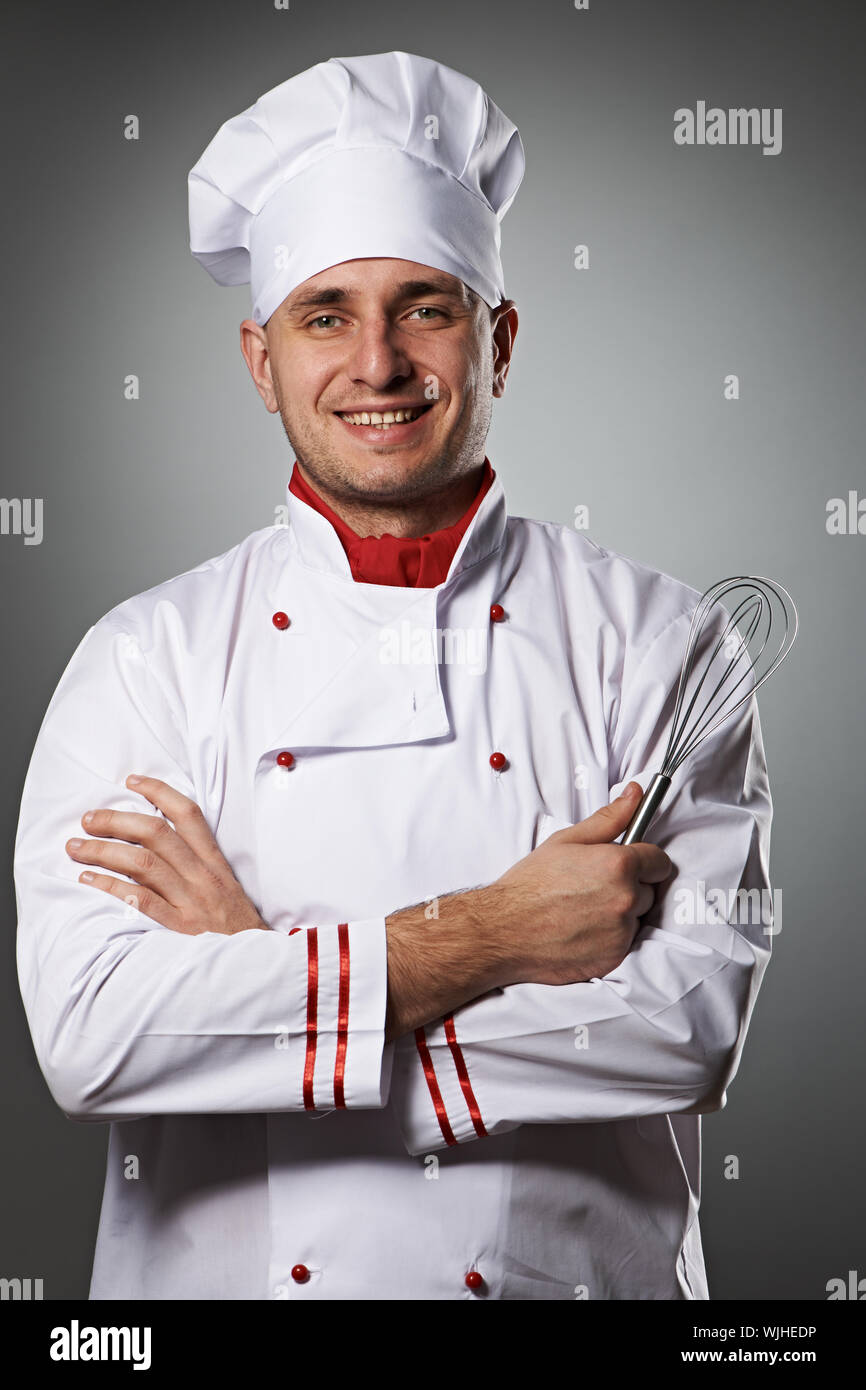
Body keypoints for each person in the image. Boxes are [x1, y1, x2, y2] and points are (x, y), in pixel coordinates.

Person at [14, 51, 773, 1301]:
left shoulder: (660, 639)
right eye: (326, 315)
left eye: (424, 305)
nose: (376, 364)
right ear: (260, 361)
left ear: (499, 339)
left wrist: (257, 978)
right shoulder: (146, 659)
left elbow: (681, 1029)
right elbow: (94, 1037)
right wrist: (495, 932)